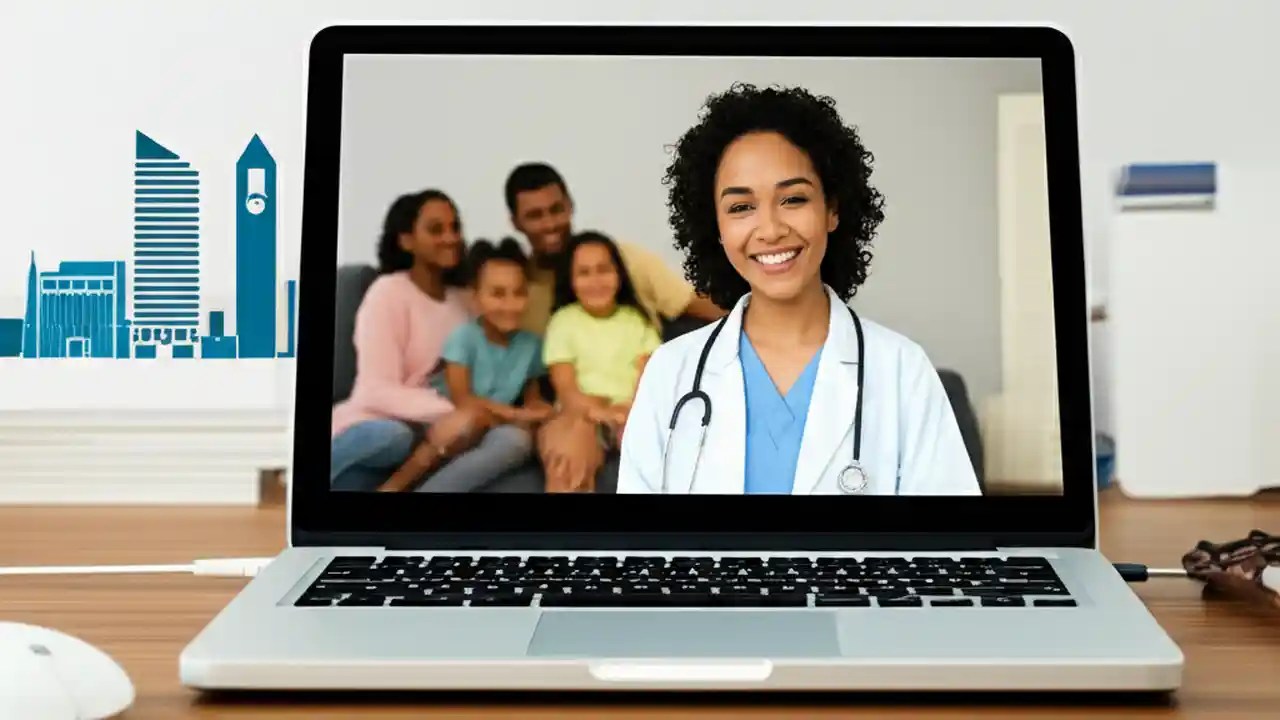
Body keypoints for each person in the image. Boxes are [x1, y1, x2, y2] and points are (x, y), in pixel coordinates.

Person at [617, 83, 982, 496]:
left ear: (832, 210)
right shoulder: (671, 372)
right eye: (741, 207)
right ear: (714, 227)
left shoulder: (903, 371)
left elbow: (948, 547)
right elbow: (640, 547)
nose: (771, 229)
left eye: (793, 199)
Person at [330, 189, 489, 492]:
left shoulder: (464, 302)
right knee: (393, 438)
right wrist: (454, 412)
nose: (451, 237)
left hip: (430, 436)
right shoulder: (388, 293)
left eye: (455, 227)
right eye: (436, 229)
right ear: (406, 241)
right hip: (375, 426)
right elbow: (374, 391)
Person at [382, 238, 555, 492]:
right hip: (447, 416)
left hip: (491, 423)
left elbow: (532, 398)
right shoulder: (464, 338)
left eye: (518, 293)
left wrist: (541, 410)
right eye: (497, 294)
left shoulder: (531, 345)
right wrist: (516, 414)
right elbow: (463, 399)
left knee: (518, 441)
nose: (510, 304)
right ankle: (391, 488)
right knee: (466, 422)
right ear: (476, 298)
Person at [541, 231, 662, 490]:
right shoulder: (564, 321)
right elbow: (567, 390)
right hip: (579, 415)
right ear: (571, 280)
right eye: (584, 273)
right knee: (569, 454)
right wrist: (599, 413)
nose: (595, 281)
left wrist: (627, 413)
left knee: (657, 447)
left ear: (618, 274)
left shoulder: (637, 321)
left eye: (603, 270)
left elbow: (649, 381)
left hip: (628, 415)